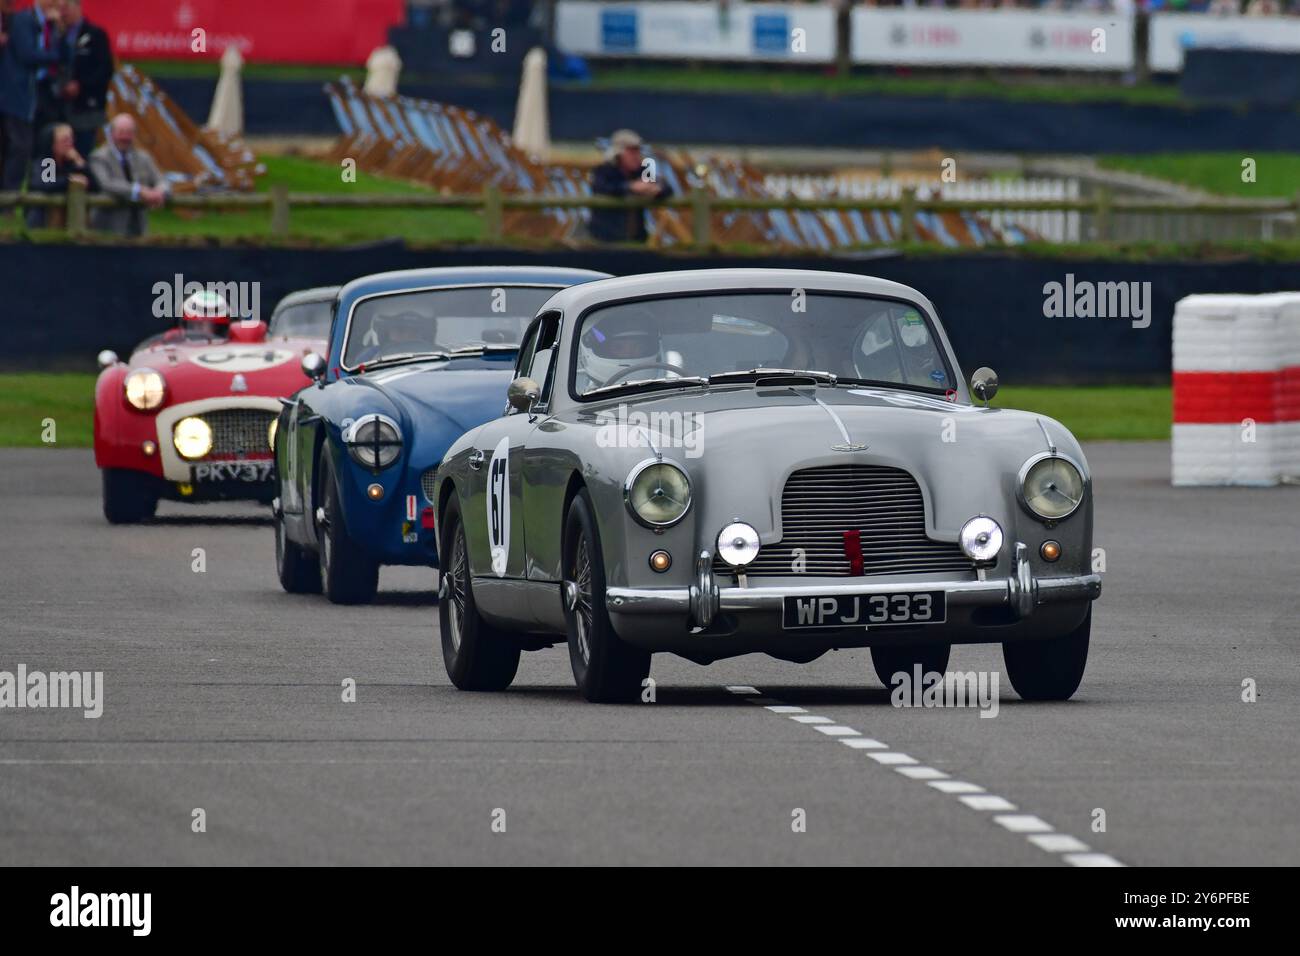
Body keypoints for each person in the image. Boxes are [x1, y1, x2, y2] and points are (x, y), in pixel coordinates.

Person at [0, 0, 68, 195]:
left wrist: (61, 32)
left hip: (46, 93)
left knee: (48, 145)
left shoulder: (54, 24)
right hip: (20, 95)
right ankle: (9, 198)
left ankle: (47, 189)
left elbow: (66, 55)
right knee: (20, 146)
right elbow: (28, 55)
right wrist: (55, 55)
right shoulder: (24, 20)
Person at [88, 113, 169, 237]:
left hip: (138, 228)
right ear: (111, 133)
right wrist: (139, 191)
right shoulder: (99, 157)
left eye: (129, 132)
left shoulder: (144, 158)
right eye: (121, 132)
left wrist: (159, 192)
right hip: (107, 229)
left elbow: (162, 180)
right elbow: (107, 183)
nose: (125, 137)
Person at [589, 129, 673, 243]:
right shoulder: (603, 171)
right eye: (631, 151)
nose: (636, 156)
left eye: (637, 151)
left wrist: (656, 190)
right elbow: (602, 188)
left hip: (636, 238)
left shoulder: (642, 172)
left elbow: (666, 188)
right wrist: (629, 187)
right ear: (618, 153)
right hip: (606, 239)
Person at [60, 0, 112, 159]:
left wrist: (80, 85)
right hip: (58, 107)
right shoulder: (57, 34)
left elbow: (105, 70)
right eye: (60, 8)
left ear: (78, 7)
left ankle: (80, 182)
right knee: (53, 154)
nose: (63, 12)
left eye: (66, 7)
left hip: (86, 108)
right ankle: (50, 182)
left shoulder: (95, 35)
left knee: (82, 153)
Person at [26, 120, 91, 227]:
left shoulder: (71, 163)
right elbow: (48, 185)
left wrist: (80, 164)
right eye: (65, 140)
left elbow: (94, 185)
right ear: (52, 143)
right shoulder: (47, 161)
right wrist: (69, 180)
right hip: (43, 216)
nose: (70, 144)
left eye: (71, 139)